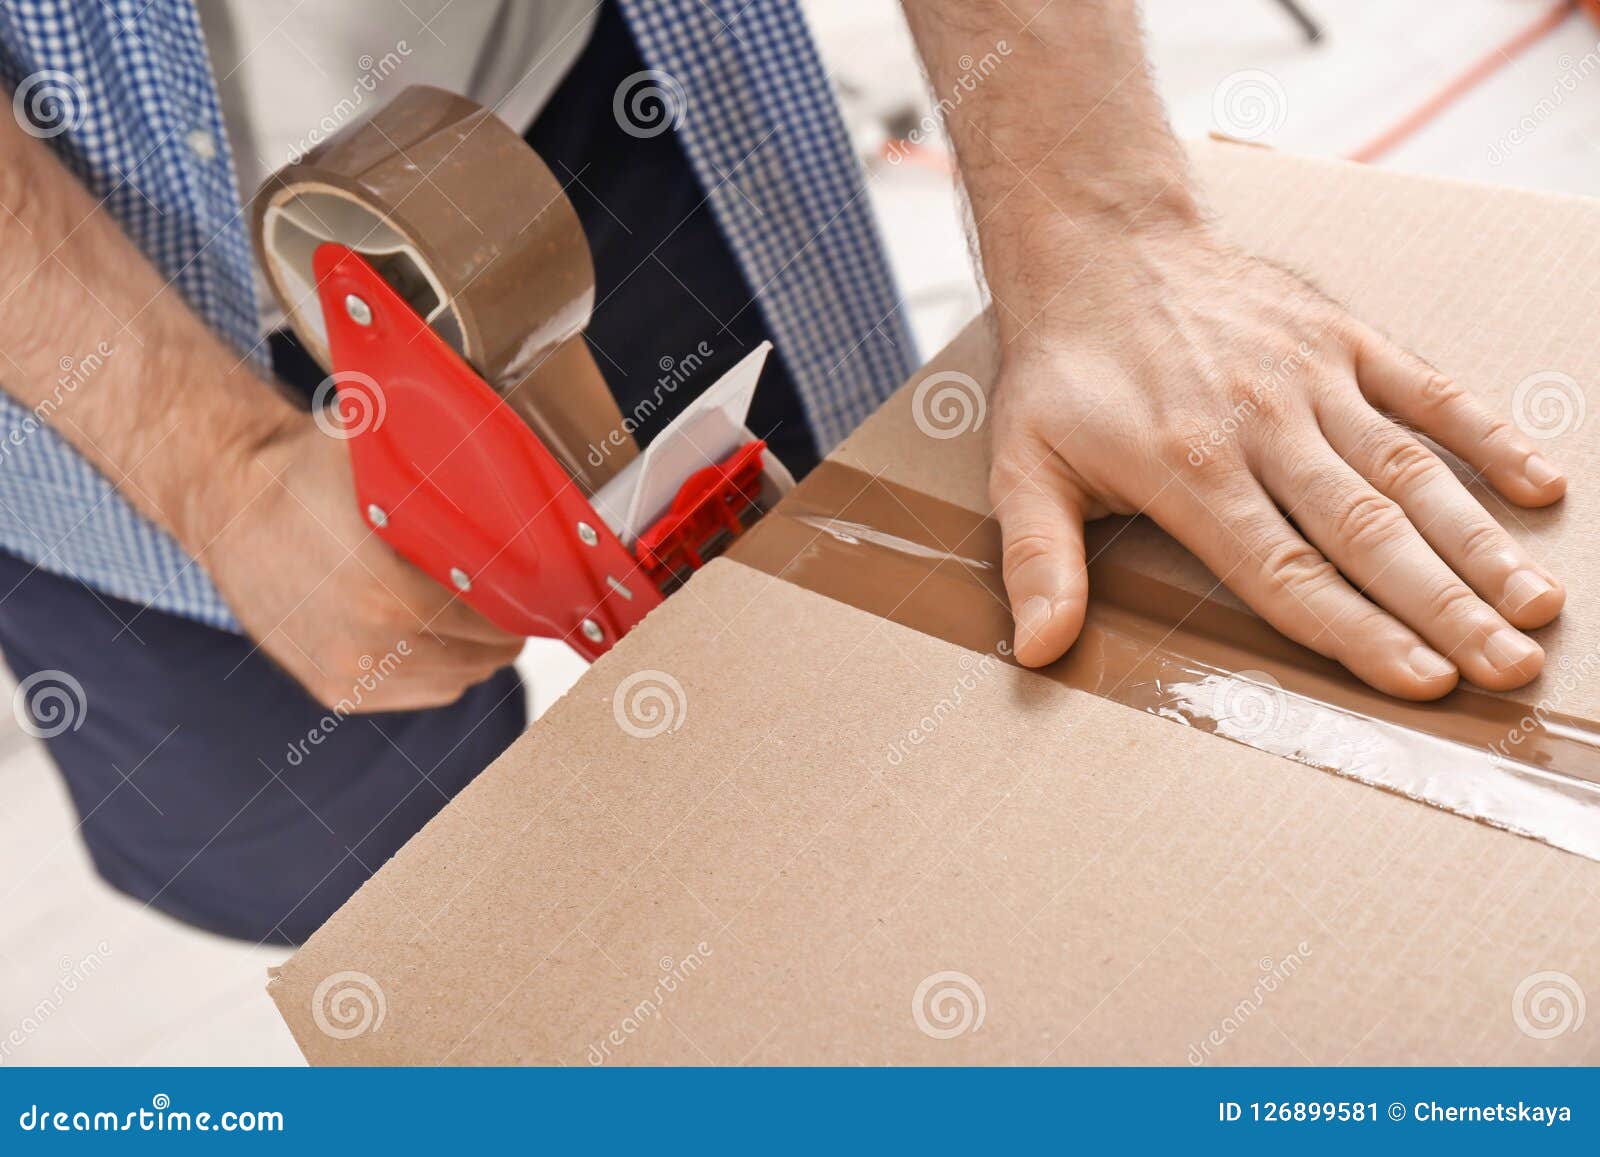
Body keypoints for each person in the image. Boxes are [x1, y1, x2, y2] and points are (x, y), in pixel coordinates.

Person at [0, 0, 1564, 943]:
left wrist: (1096, 218)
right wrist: (219, 468)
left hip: (596, 97)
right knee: (339, 869)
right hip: (80, 317)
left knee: (848, 700)